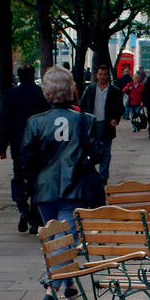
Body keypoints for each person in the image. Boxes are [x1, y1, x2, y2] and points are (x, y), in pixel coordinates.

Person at [20, 65, 104, 249]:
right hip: (74, 187)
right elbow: (98, 153)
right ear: (71, 89)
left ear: (47, 91)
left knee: (55, 243)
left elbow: (26, 160)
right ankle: (60, 278)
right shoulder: (85, 120)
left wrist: (30, 183)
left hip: (45, 189)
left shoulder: (35, 122)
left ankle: (61, 278)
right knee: (66, 243)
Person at [0, 64, 47, 233]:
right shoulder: (41, 93)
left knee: (18, 176)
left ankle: (22, 207)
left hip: (19, 144)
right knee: (37, 180)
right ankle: (34, 216)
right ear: (34, 75)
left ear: (19, 77)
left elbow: (3, 121)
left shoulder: (10, 95)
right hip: (38, 144)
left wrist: (1, 146)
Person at [79, 64, 123, 182]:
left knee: (106, 152)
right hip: (92, 124)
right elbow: (83, 105)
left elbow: (120, 107)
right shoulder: (90, 89)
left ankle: (103, 176)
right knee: (90, 150)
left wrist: (115, 119)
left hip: (107, 124)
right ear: (97, 75)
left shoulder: (114, 91)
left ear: (108, 76)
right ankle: (91, 175)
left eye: (105, 74)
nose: (102, 77)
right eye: (100, 74)